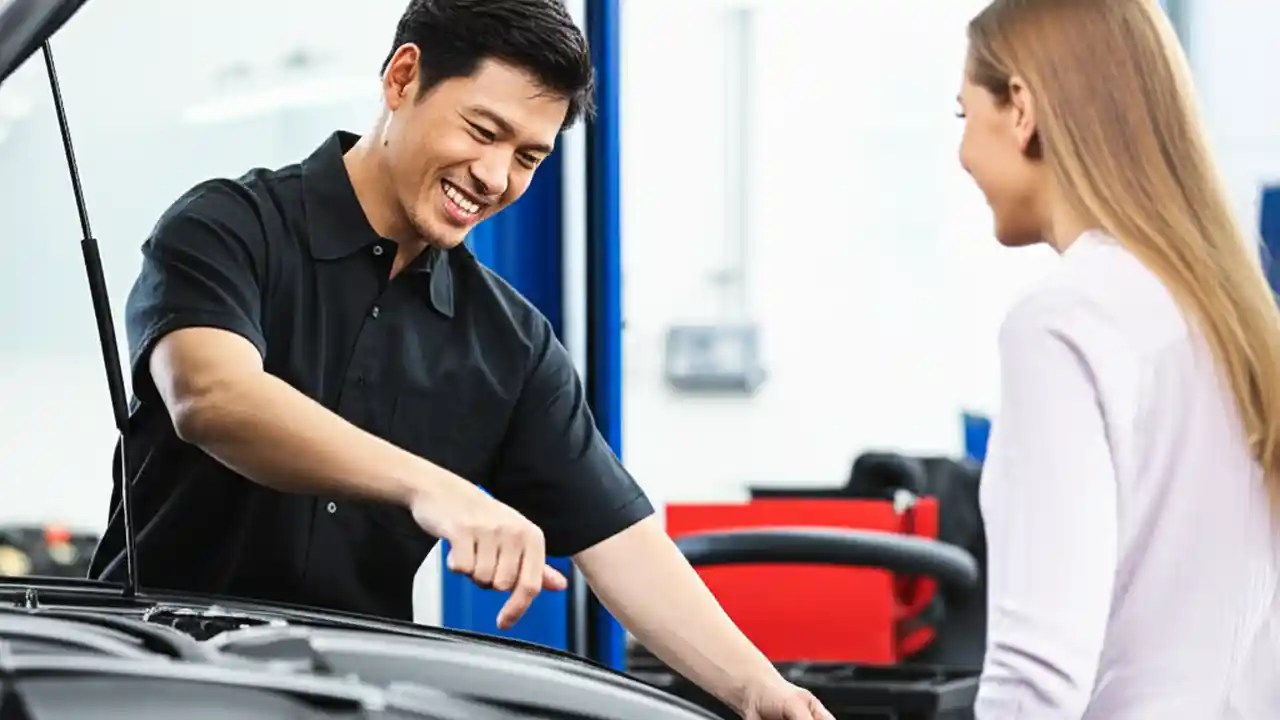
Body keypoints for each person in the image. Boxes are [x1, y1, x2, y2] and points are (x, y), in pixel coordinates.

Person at [86, 1, 833, 718]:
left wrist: (758, 691)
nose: (496, 176)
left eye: (529, 157)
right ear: (403, 77)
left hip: (346, 700)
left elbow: (620, 541)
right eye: (483, 131)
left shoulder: (509, 342)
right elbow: (212, 397)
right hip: (140, 686)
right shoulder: (227, 227)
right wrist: (437, 490)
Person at [954, 0, 1280, 717]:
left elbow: (1035, 676)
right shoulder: (1230, 314)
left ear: (1020, 109)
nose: (963, 155)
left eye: (962, 116)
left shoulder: (1064, 322)